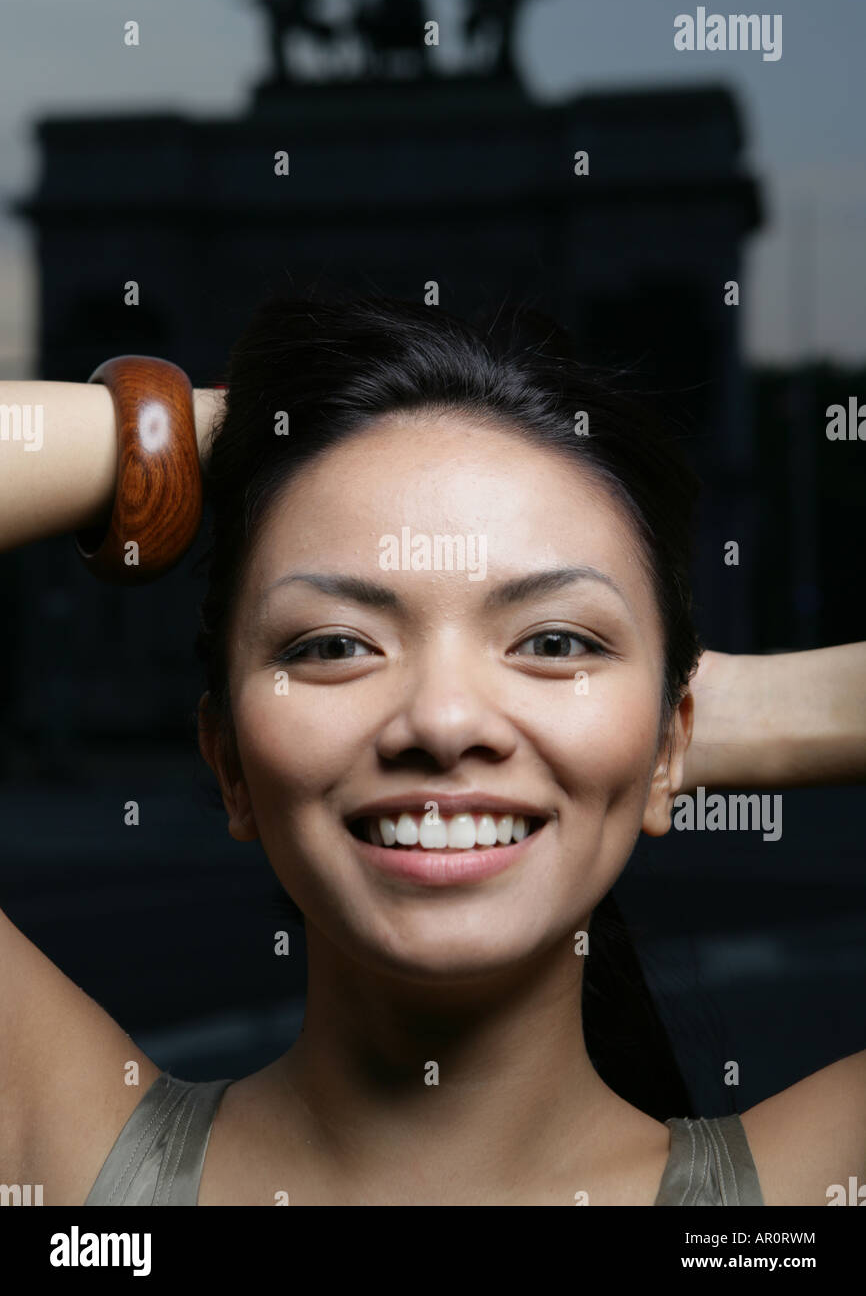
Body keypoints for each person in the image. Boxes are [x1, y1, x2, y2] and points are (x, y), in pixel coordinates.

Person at [1, 293, 864, 1206]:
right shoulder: (80, 1180)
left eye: (556, 643)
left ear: (668, 739)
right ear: (229, 763)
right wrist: (207, 436)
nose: (446, 722)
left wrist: (709, 723)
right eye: (334, 645)